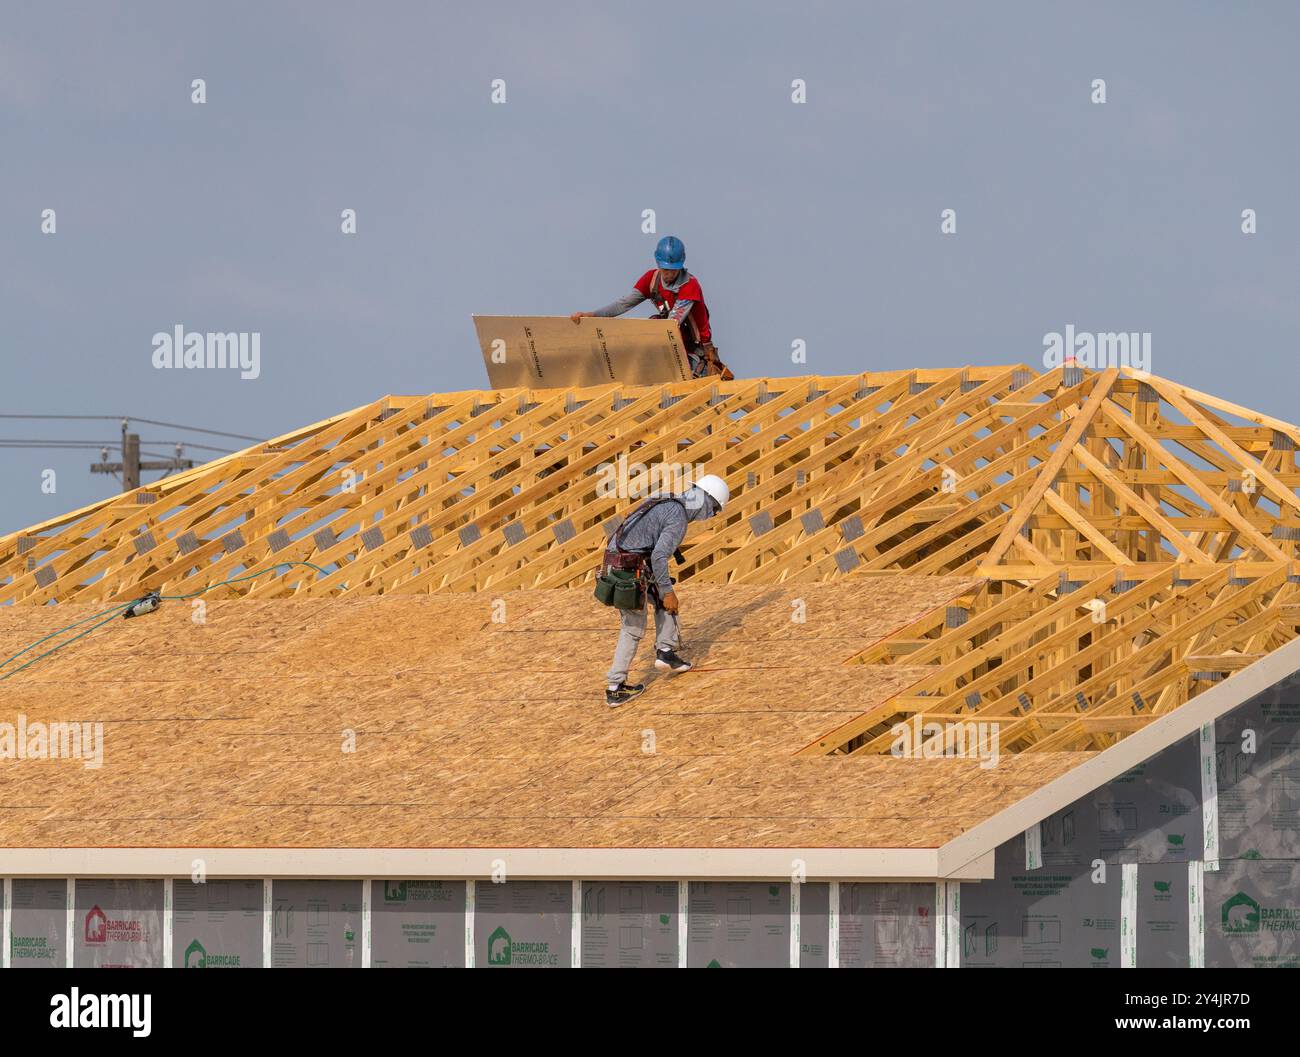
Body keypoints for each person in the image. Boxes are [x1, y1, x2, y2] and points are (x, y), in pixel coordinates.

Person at [603, 474, 730, 705]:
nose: (710, 515)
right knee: (633, 627)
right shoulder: (678, 517)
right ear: (704, 500)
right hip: (626, 572)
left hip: (622, 564)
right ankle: (615, 687)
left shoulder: (664, 499)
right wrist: (668, 591)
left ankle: (666, 652)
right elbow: (659, 556)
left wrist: (665, 591)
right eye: (713, 509)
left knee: (663, 599)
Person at [570, 236, 733, 380]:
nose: (669, 274)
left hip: (695, 346)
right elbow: (623, 304)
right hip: (671, 337)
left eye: (673, 270)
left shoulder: (690, 285)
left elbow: (672, 324)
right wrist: (592, 315)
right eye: (665, 269)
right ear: (658, 264)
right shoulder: (651, 279)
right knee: (653, 324)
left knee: (656, 328)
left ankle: (691, 372)